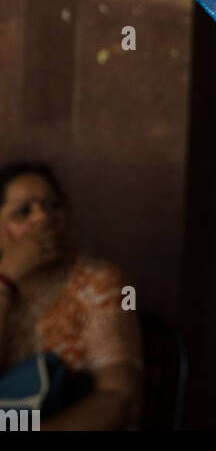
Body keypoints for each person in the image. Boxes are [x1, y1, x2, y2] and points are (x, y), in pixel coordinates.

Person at [0, 161, 142, 430]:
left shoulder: (101, 282)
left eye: (53, 205)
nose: (42, 218)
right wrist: (6, 279)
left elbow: (121, 399)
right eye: (23, 212)